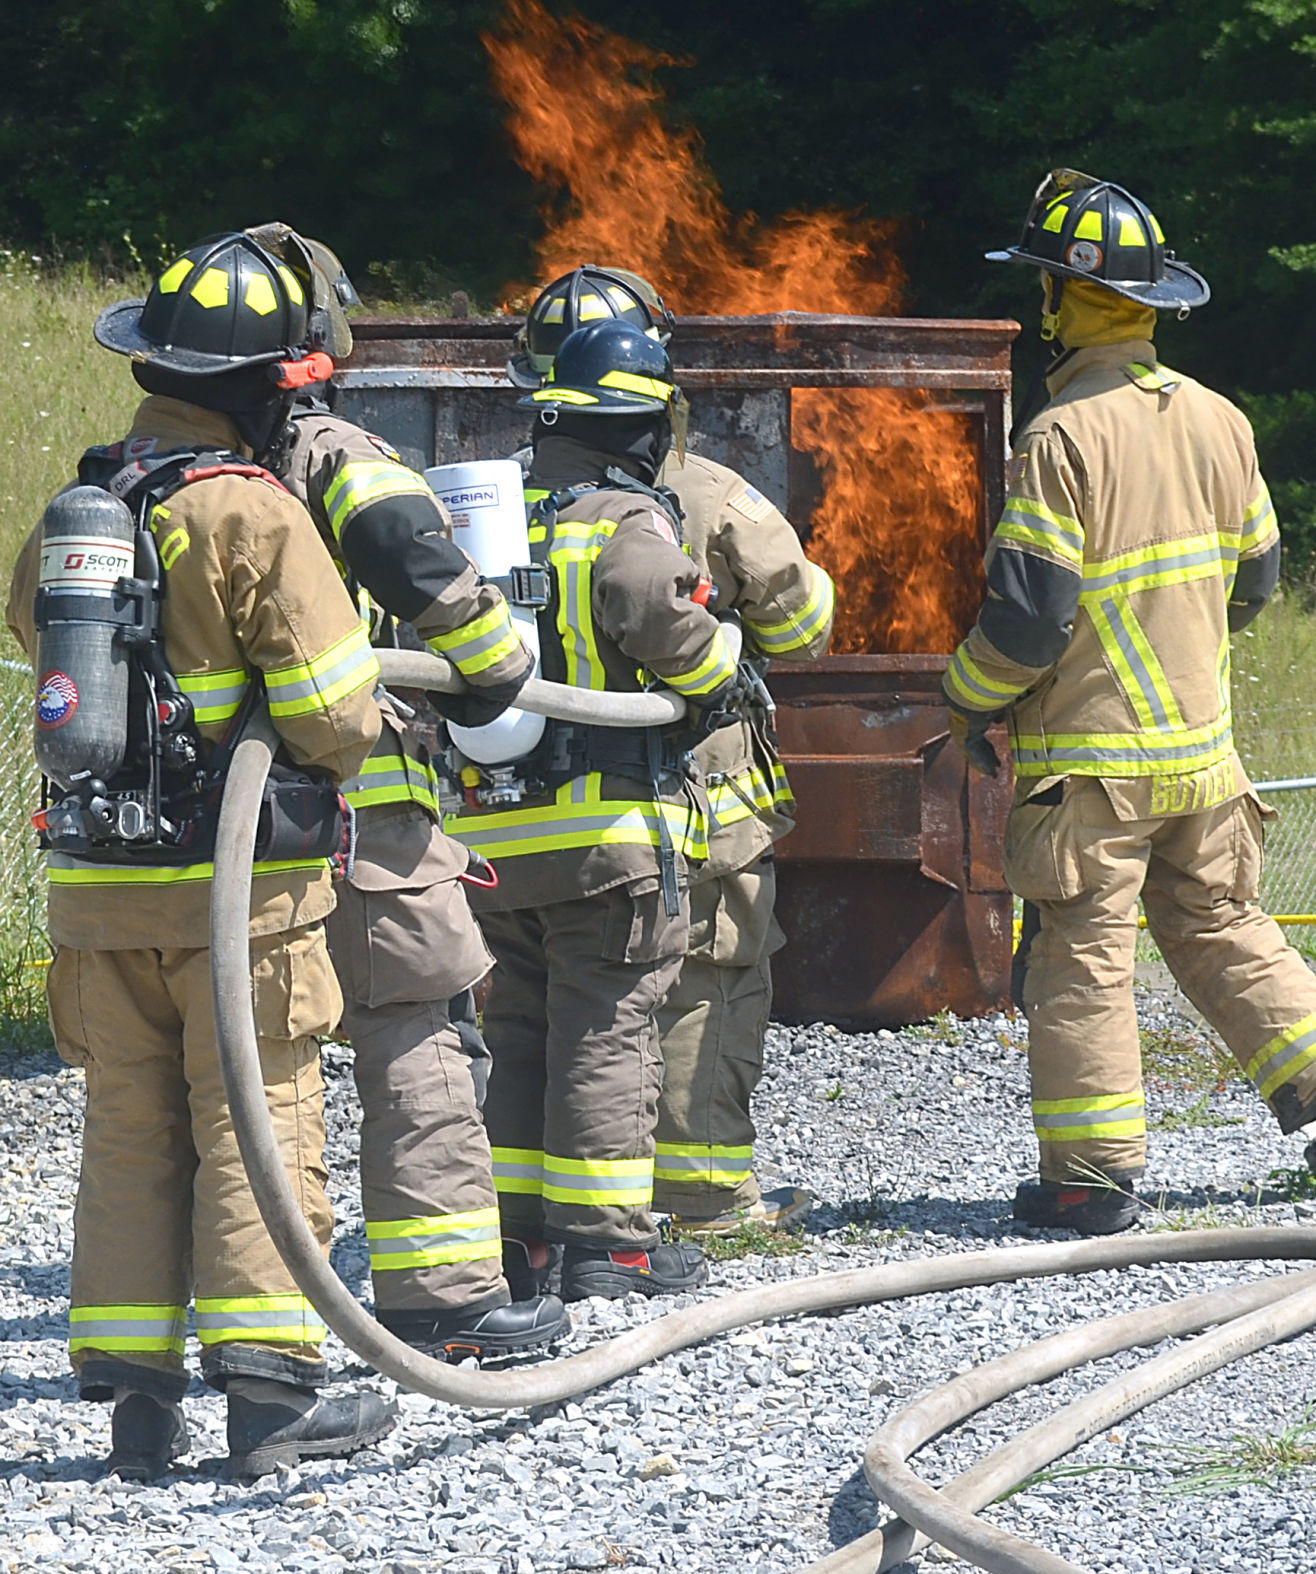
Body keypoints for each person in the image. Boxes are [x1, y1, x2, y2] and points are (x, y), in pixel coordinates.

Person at [6, 231, 396, 1478]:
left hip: (93, 893)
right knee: (255, 1125)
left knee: (125, 1125)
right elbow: (335, 713)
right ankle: (271, 1403)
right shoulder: (249, 510)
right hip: (239, 900)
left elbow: (41, 639)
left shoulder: (82, 512)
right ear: (261, 387)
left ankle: (135, 1405)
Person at [944, 169, 1316, 1234]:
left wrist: (962, 698)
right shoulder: (1220, 421)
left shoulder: (1058, 439)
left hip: (1093, 771)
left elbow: (1025, 622)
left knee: (1081, 954)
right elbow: (1254, 581)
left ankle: (1089, 1180)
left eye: (1045, 291)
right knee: (1224, 927)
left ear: (1065, 297)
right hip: (1204, 759)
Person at [244, 223, 567, 1358]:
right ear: (315, 341)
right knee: (418, 1036)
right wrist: (493, 666)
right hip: (360, 823)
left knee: (245, 1066)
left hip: (204, 841)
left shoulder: (139, 478)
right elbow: (421, 560)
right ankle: (445, 1302)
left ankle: (244, 1323)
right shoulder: (328, 453)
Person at [508, 266, 836, 1236]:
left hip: (544, 803)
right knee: (708, 980)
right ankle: (695, 1202)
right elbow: (806, 621)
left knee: (553, 1010)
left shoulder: (513, 499)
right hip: (702, 801)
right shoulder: (702, 492)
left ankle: (537, 1212)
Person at [449, 317, 741, 1300]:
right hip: (607, 841)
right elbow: (664, 619)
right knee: (607, 1032)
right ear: (639, 426)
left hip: (495, 835)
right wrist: (720, 661)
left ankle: (521, 1236)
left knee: (521, 1030)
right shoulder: (621, 520)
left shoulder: (496, 520)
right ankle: (608, 1243)